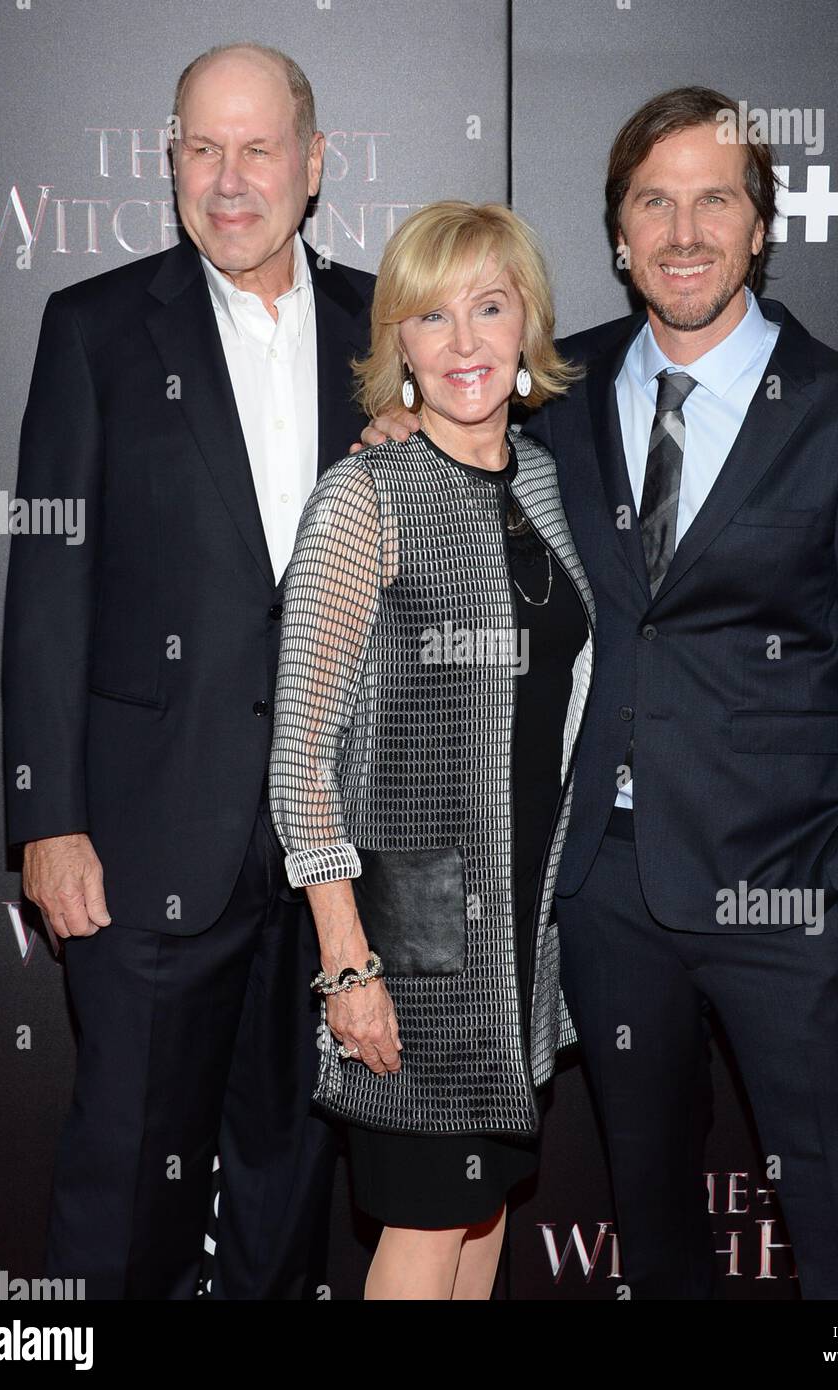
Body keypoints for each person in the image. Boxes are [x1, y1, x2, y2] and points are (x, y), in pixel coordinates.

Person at [358, 87, 838, 1299]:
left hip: (790, 895)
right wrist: (394, 429)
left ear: (761, 225)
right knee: (653, 1230)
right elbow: (447, 425)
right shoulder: (556, 396)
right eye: (652, 202)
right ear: (617, 234)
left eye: (713, 200)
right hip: (605, 898)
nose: (683, 232)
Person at [1, 42, 374, 1299]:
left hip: (333, 860)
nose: (229, 180)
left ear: (312, 165)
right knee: (122, 1194)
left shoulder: (391, 331)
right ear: (170, 164)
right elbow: (46, 590)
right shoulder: (97, 329)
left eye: (257, 147)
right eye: (201, 150)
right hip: (151, 841)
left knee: (287, 1189)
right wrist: (47, 818)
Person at [268, 200, 592, 1299]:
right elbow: (301, 757)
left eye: (489, 308)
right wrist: (347, 966)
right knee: (421, 1220)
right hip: (410, 953)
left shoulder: (548, 484)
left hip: (520, 944)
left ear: (526, 324)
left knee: (483, 1209)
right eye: (431, 316)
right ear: (395, 344)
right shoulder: (363, 499)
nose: (464, 343)